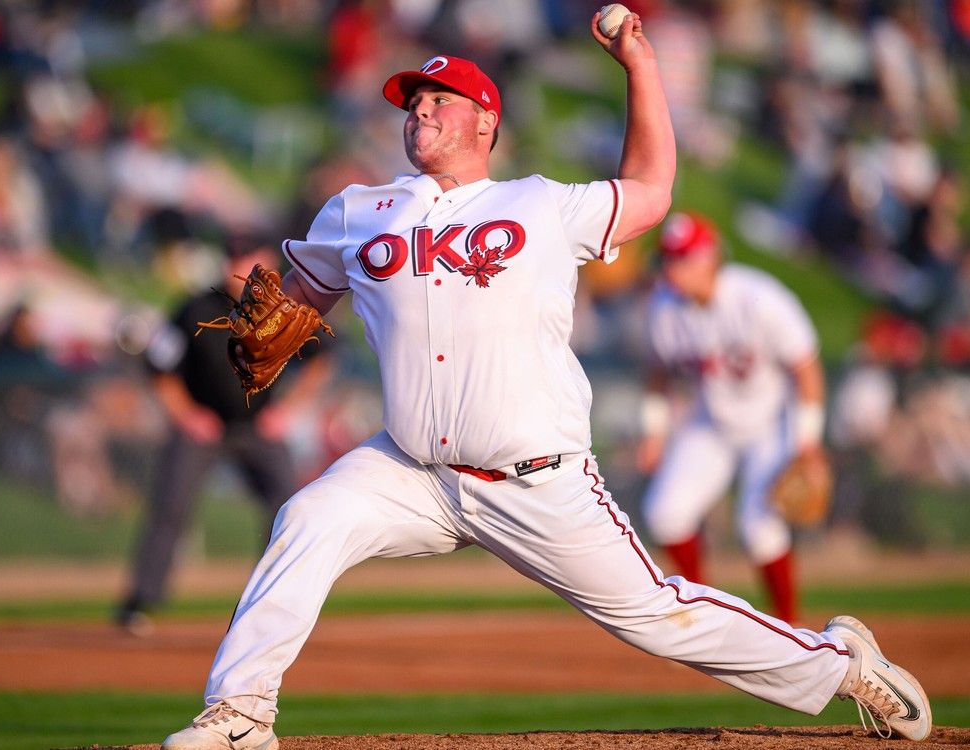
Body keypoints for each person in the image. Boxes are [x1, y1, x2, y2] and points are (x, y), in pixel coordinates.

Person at [162, 12, 931, 749]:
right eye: (411, 100)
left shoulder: (538, 204)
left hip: (534, 478)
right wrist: (272, 324)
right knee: (309, 517)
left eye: (439, 99)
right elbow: (303, 296)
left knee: (658, 616)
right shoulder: (357, 211)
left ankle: (845, 666)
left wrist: (640, 66)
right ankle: (240, 712)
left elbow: (651, 190)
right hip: (410, 470)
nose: (419, 109)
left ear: (485, 123)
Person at [116, 233, 330, 635]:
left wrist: (286, 411)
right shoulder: (196, 308)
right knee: (171, 507)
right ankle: (139, 601)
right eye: (238, 258)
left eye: (253, 258)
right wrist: (187, 415)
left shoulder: (285, 308)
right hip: (204, 427)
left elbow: (322, 361)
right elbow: (159, 368)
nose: (244, 266)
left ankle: (276, 600)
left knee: (290, 507)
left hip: (257, 427)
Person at [635, 212, 829, 625]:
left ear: (709, 258)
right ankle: (703, 613)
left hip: (769, 424)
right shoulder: (663, 307)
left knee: (758, 528)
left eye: (681, 258)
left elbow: (806, 366)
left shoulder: (758, 296)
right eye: (668, 259)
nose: (672, 268)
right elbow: (658, 373)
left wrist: (808, 440)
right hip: (712, 423)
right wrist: (654, 433)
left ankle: (790, 625)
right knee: (665, 513)